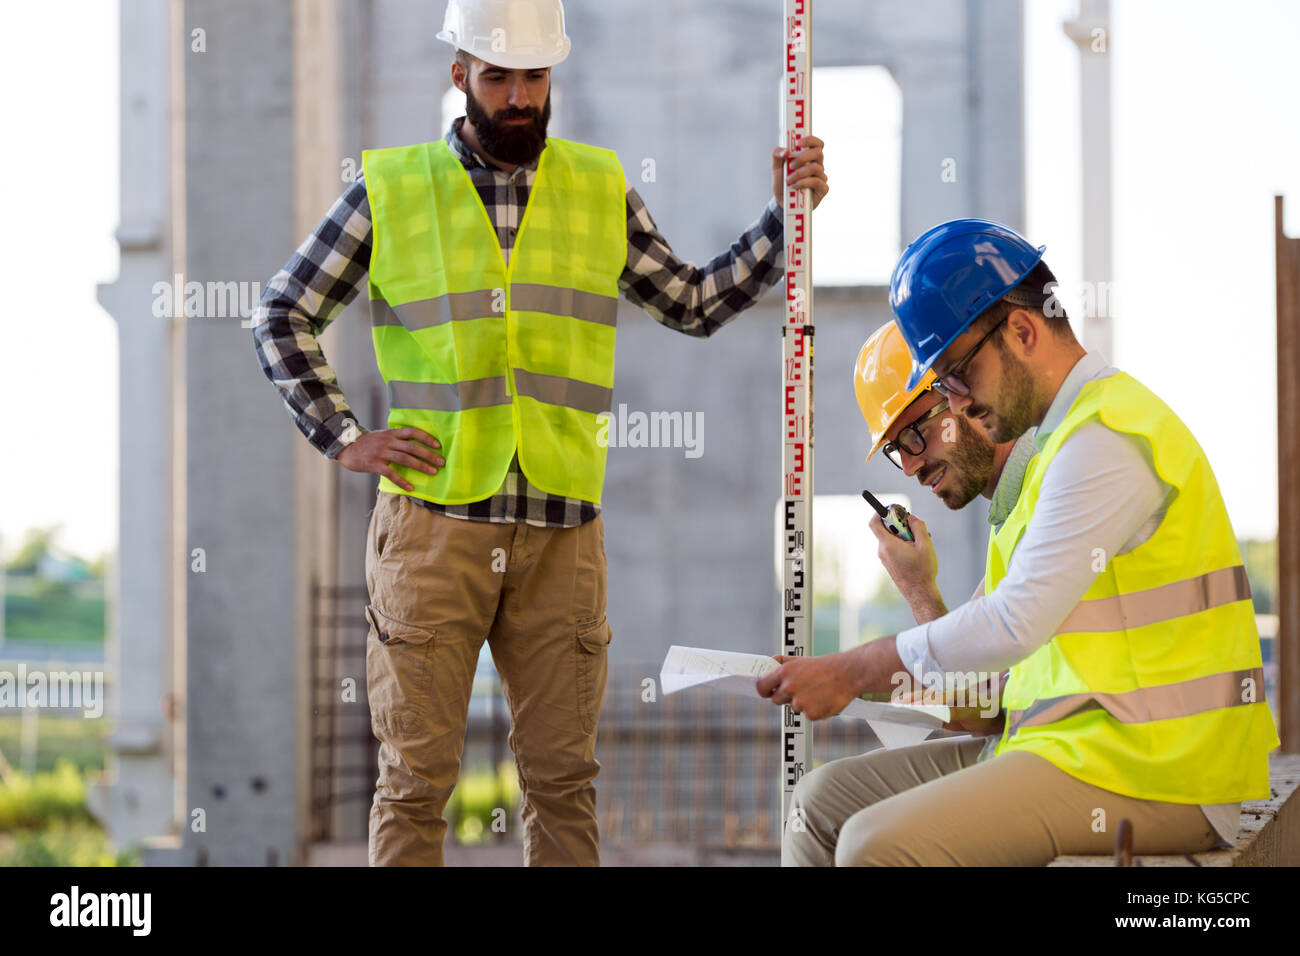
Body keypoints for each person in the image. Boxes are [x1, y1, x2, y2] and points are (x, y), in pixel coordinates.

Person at [251, 0, 828, 866]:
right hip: (433, 526)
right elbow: (280, 314)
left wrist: (787, 215)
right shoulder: (391, 188)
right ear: (460, 78)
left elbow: (697, 304)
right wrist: (343, 437)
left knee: (564, 783)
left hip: (562, 530)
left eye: (534, 77)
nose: (518, 97)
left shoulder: (597, 187)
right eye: (498, 78)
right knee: (413, 785)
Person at [763, 219, 1279, 866]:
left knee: (874, 846)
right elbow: (981, 706)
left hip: (1159, 767)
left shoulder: (1107, 440)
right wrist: (920, 592)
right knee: (819, 804)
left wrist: (853, 668)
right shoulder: (1054, 464)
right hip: (1072, 748)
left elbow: (1013, 621)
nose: (957, 398)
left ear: (1023, 332)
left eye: (954, 375)